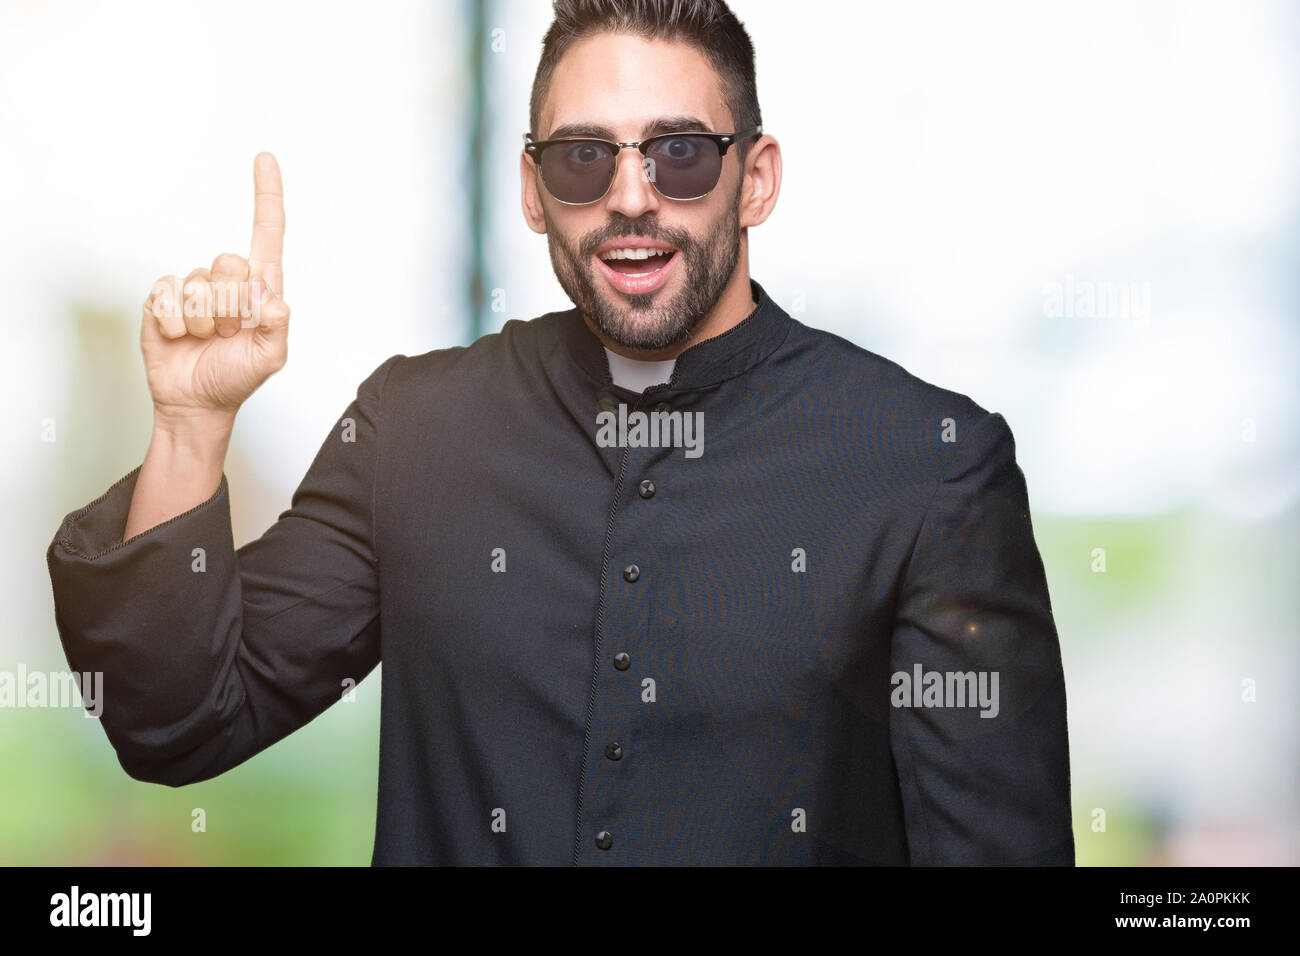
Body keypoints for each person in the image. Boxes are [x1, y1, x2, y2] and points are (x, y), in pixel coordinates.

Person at [47, 0, 1074, 865]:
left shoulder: (927, 466)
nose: (631, 197)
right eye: (585, 158)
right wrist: (191, 425)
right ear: (535, 190)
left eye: (679, 153)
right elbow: (177, 720)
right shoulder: (414, 429)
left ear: (755, 176)